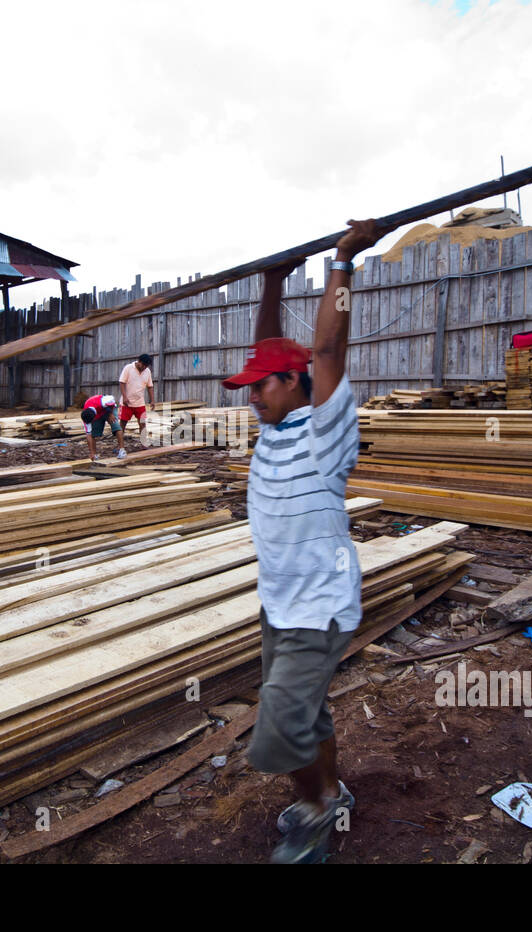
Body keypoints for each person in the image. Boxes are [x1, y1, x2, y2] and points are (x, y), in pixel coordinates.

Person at [221, 219, 391, 864]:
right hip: (280, 602)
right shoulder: (274, 425)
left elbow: (327, 348)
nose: (252, 398)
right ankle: (331, 794)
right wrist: (271, 279)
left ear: (295, 383)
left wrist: (343, 260)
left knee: (281, 724)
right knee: (308, 716)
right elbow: (271, 345)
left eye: (261, 385)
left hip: (318, 606)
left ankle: (315, 812)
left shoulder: (326, 428)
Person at [118, 353, 155, 446]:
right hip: (127, 403)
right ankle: (120, 445)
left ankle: (143, 443)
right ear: (138, 361)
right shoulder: (128, 368)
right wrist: (125, 397)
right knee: (123, 424)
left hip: (140, 403)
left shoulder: (147, 371)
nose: (144, 367)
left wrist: (152, 400)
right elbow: (122, 382)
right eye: (143, 365)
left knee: (142, 424)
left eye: (146, 366)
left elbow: (150, 386)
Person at [82, 393, 125, 460]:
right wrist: (91, 452)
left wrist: (110, 413)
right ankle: (94, 455)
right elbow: (88, 435)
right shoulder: (86, 417)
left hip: (109, 408)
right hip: (98, 413)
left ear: (93, 418)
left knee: (116, 426)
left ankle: (122, 450)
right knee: (93, 434)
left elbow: (112, 399)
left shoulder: (101, 401)